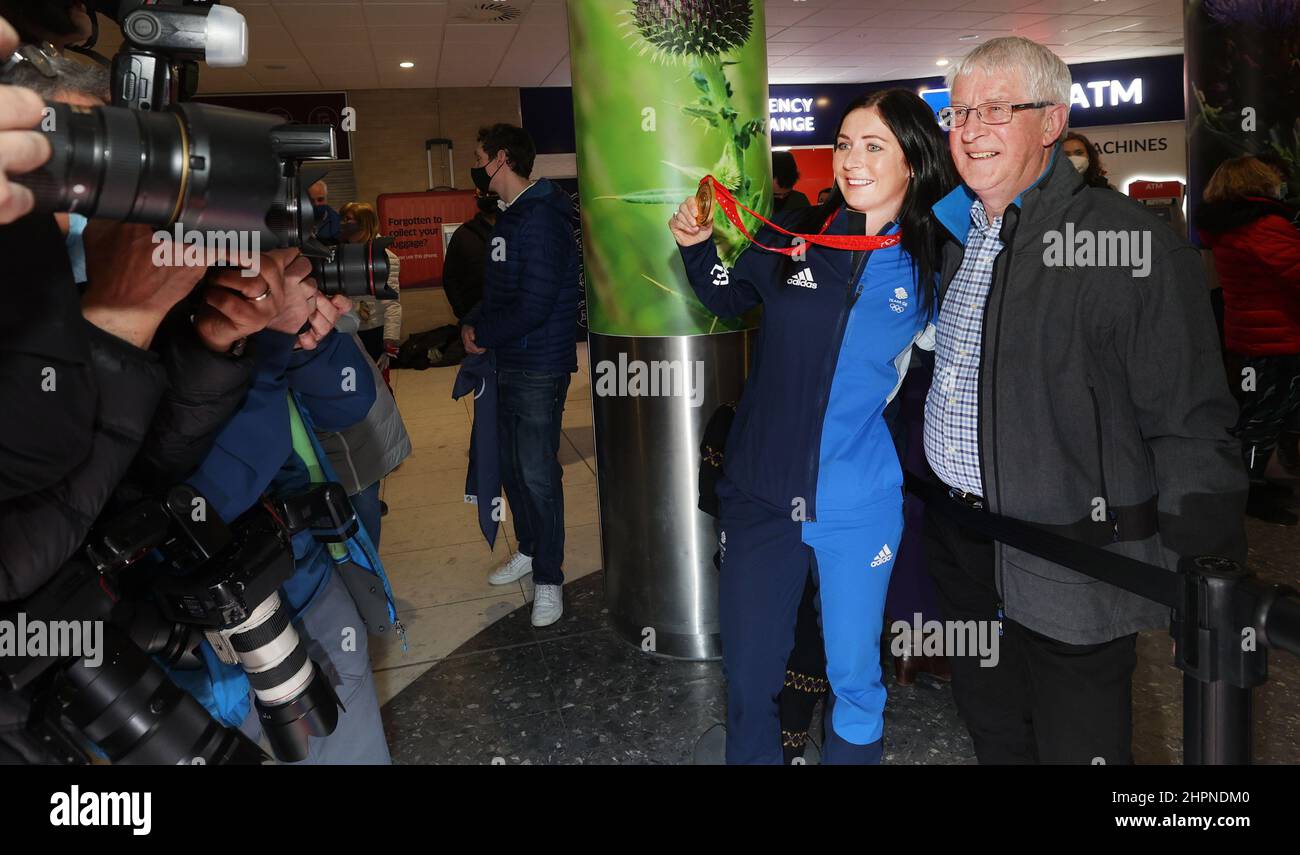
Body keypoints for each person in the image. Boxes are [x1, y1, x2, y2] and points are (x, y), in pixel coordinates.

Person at [923, 36, 1246, 764]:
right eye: (959, 111)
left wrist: (1207, 574)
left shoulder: (1130, 246)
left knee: (1080, 744)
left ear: (1051, 121)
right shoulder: (960, 235)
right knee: (995, 729)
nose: (969, 129)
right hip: (962, 545)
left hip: (1072, 560)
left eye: (996, 109)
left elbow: (1190, 418)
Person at [670, 88, 956, 764]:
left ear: (914, 162)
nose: (851, 161)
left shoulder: (934, 261)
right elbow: (729, 295)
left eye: (873, 146)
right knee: (749, 682)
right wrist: (695, 248)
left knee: (856, 681)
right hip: (763, 496)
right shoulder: (795, 235)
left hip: (857, 501)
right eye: (844, 144)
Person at [462, 123, 579, 627]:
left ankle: (550, 578)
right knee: (511, 466)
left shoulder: (544, 219)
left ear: (501, 159)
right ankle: (530, 550)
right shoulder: (512, 217)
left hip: (538, 364)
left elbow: (535, 304)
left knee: (537, 472)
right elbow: (505, 291)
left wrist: (485, 332)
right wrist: (475, 320)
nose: (475, 166)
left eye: (478, 156)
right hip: (509, 361)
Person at [1195, 155, 1300, 524]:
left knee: (1259, 413)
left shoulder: (1228, 227)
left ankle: (1255, 479)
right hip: (1278, 338)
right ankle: (1251, 487)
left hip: (1253, 335)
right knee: (1264, 418)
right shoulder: (1265, 226)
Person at [338, 201, 402, 373]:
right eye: (342, 218)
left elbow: (392, 304)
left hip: (375, 331)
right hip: (346, 330)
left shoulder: (386, 258)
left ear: (363, 223)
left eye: (348, 219)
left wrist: (390, 341)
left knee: (380, 386)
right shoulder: (337, 256)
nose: (342, 223)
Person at [442, 191, 499, 322]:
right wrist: (464, 314)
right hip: (474, 318)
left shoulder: (512, 230)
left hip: (510, 316)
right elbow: (449, 278)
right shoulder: (463, 235)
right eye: (485, 194)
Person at [771, 150, 810, 214]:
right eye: (776, 195)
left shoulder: (800, 201)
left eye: (786, 193)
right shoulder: (756, 202)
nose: (781, 197)